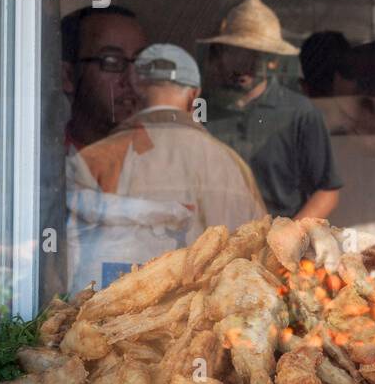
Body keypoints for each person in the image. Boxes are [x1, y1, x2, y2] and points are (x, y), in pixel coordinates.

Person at [69, 44, 267, 238]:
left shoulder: (96, 158)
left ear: (134, 88)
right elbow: (259, 249)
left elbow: (67, 246)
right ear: (194, 95)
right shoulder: (231, 164)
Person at [201, 0, 342, 219]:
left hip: (278, 242)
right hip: (214, 242)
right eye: (236, 51)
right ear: (221, 54)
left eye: (256, 54)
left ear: (273, 60)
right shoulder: (201, 110)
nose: (245, 63)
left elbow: (327, 190)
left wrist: (289, 236)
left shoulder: (301, 113)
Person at [61, 5, 149, 154]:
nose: (132, 79)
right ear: (68, 76)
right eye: (111, 62)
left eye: (141, 62)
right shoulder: (37, 164)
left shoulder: (174, 156)